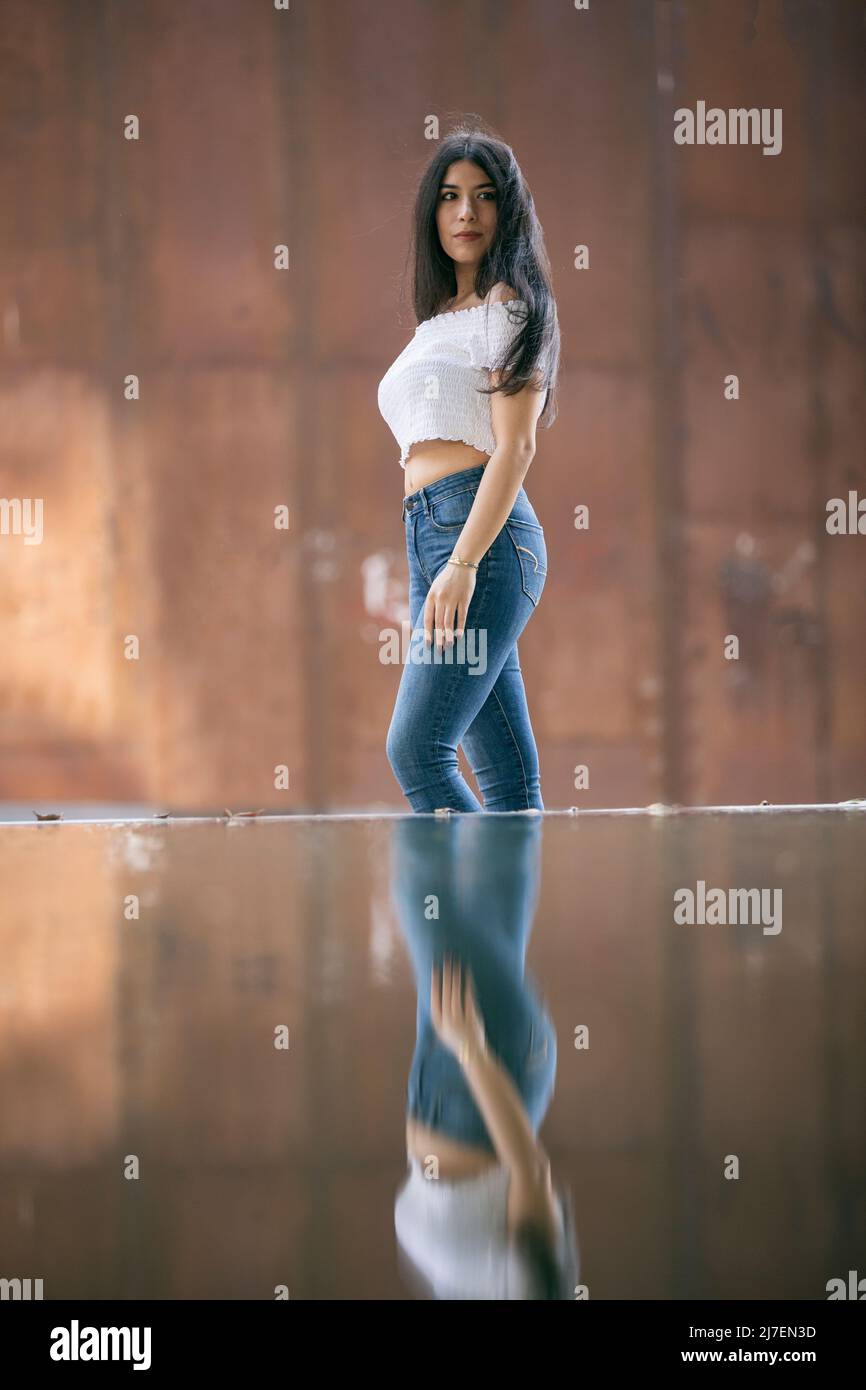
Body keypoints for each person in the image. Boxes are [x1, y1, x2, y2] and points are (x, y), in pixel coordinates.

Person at [379, 122, 561, 813]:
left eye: (484, 197)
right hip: (431, 534)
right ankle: (497, 923)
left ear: (506, 211)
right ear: (432, 210)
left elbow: (516, 447)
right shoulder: (438, 321)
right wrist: (441, 559)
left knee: (416, 751)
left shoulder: (507, 306)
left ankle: (454, 920)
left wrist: (461, 564)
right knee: (509, 781)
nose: (465, 213)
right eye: (450, 196)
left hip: (479, 537)